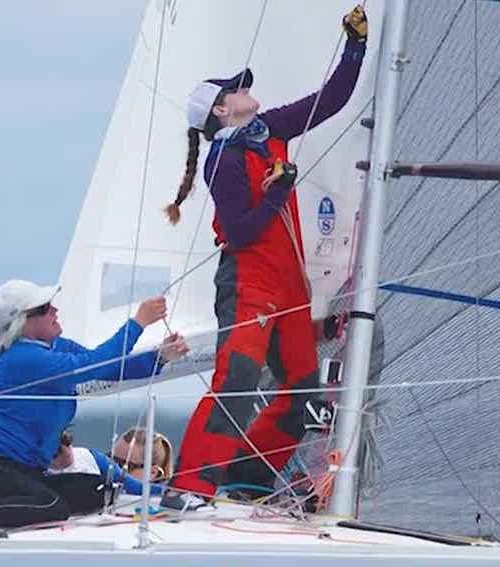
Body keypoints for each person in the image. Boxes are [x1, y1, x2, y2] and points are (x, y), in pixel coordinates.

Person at [162, 6, 368, 504]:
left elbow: (331, 100)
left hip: (288, 281)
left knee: (302, 392)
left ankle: (247, 479)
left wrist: (355, 45)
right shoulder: (224, 159)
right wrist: (279, 193)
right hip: (248, 279)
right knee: (237, 379)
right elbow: (241, 232)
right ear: (220, 111)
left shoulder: (269, 129)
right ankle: (189, 486)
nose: (245, 90)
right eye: (235, 89)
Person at [0, 280, 189, 536]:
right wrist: (137, 322)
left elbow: (110, 366)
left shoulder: (53, 349)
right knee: (52, 507)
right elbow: (94, 364)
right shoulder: (24, 358)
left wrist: (160, 356)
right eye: (43, 308)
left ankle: (172, 494)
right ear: (22, 323)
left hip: (13, 468)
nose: (54, 311)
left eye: (51, 304)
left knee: (98, 490)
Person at [44, 428, 170, 514]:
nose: (67, 452)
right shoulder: (98, 462)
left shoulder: (95, 460)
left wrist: (179, 491)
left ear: (154, 472)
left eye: (125, 465)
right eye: (112, 459)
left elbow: (134, 487)